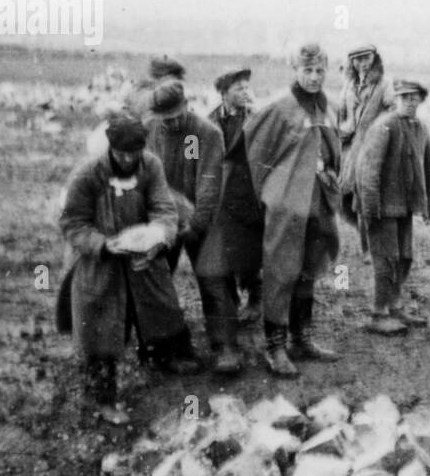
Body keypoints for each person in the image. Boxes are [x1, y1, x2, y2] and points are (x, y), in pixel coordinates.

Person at [58, 112, 197, 424]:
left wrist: (158, 237)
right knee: (101, 332)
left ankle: (161, 356)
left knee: (157, 307)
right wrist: (102, 245)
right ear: (110, 149)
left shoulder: (151, 166)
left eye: (134, 152)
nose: (128, 159)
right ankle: (103, 399)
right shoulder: (87, 175)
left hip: (139, 257)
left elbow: (164, 208)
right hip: (100, 263)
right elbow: (72, 222)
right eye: (121, 153)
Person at [243, 43, 342, 377]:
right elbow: (255, 157)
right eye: (307, 71)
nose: (314, 77)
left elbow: (332, 150)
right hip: (286, 204)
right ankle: (275, 347)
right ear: (295, 71)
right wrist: (264, 201)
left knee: (308, 269)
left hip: (317, 202)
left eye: (319, 71)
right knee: (281, 270)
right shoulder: (280, 108)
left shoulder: (326, 107)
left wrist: (327, 172)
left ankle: (302, 338)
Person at [146, 79, 233, 371]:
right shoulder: (150, 131)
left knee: (213, 279)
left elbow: (209, 183)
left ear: (187, 105)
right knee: (157, 282)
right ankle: (162, 349)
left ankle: (224, 347)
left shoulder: (207, 133)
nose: (171, 123)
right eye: (165, 119)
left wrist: (195, 225)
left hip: (202, 219)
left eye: (176, 116)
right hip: (164, 219)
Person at [356, 79, 430, 333]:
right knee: (385, 260)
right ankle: (378, 313)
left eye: (413, 97)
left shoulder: (420, 128)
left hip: (405, 207)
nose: (408, 102)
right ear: (395, 100)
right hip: (381, 208)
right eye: (403, 97)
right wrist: (370, 210)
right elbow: (368, 171)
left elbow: (429, 169)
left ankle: (395, 306)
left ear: (420, 100)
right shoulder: (384, 127)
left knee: (404, 257)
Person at [208, 67, 262, 322]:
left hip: (249, 195)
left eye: (246, 88)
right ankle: (230, 304)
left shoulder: (256, 118)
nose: (244, 92)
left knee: (250, 250)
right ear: (223, 93)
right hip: (219, 198)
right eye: (238, 88)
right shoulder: (206, 122)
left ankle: (255, 298)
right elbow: (192, 155)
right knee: (222, 252)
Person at [336, 42, 393, 249]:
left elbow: (393, 112)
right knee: (344, 199)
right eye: (357, 59)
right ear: (351, 61)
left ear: (374, 58)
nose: (363, 64)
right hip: (349, 150)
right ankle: (370, 240)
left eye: (366, 58)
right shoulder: (348, 86)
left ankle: (369, 248)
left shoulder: (385, 85)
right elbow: (340, 114)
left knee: (364, 199)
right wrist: (344, 128)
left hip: (372, 151)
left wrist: (377, 131)